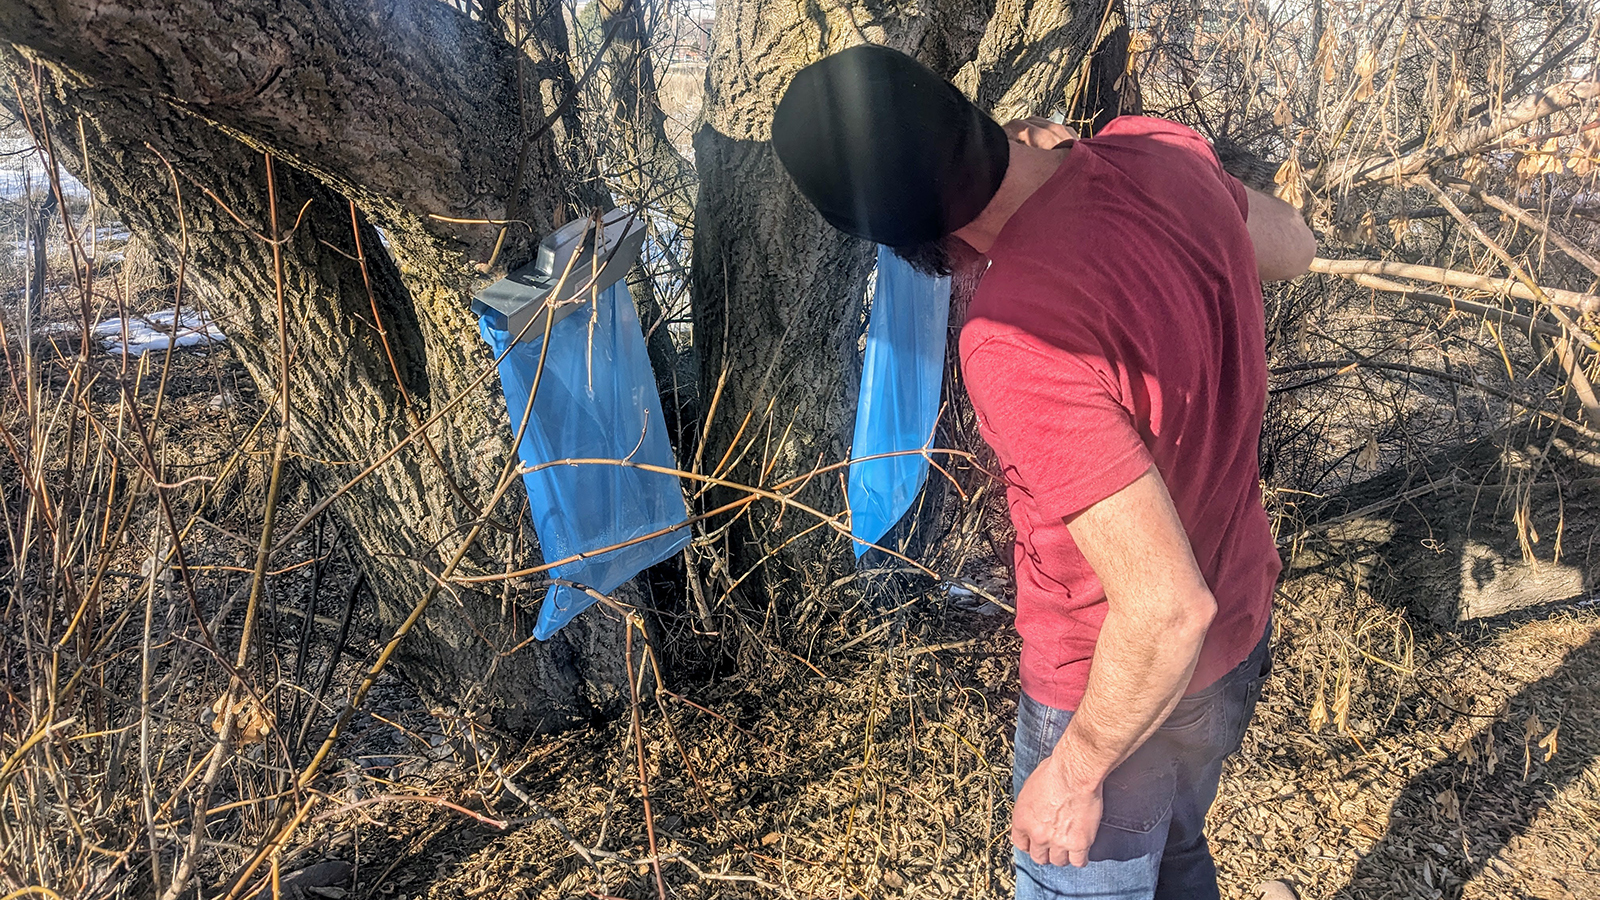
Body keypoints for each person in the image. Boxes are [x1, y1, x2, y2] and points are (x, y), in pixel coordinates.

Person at [770, 45, 1316, 900]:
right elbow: (1295, 247)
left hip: (1115, 682)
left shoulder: (1017, 339)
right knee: (1175, 860)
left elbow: (1168, 609)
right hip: (1238, 637)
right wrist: (1081, 167)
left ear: (902, 239)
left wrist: (1076, 770)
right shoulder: (1158, 149)